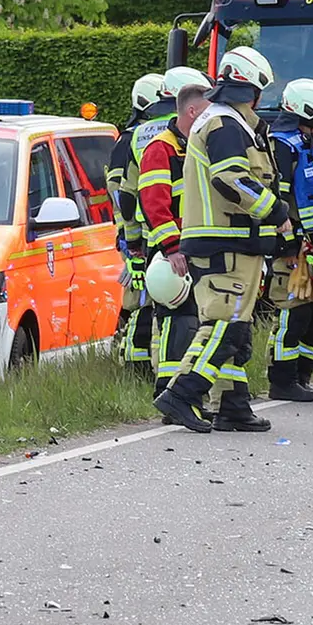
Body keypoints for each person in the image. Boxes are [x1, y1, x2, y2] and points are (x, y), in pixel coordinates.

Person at [152, 46, 289, 434]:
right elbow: (232, 179)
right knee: (223, 326)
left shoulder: (223, 121)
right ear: (254, 93)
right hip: (224, 243)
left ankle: (233, 406)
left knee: (236, 329)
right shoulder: (226, 125)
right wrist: (275, 212)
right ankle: (183, 393)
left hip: (230, 243)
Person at [265, 78, 313, 402]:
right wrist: (285, 245)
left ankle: (302, 376)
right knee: (292, 313)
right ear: (305, 113)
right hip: (293, 246)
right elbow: (277, 200)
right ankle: (281, 381)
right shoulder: (281, 146)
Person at [136, 67, 212, 398]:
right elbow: (154, 203)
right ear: (191, 111)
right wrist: (171, 247)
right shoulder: (161, 148)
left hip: (194, 246)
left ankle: (183, 390)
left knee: (193, 320)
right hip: (172, 252)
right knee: (177, 320)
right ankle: (167, 390)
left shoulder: (196, 145)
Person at [108, 72, 165, 376]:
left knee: (149, 297)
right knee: (139, 299)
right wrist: (129, 237)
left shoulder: (139, 135)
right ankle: (133, 365)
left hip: (146, 230)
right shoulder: (130, 139)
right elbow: (120, 193)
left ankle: (140, 362)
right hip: (135, 234)